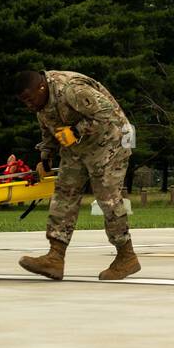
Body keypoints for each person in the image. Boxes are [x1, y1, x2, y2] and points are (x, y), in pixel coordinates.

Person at [14, 69, 138, 281]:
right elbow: (49, 129)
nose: (28, 104)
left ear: (41, 88)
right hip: (77, 147)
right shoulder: (40, 102)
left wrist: (77, 131)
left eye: (29, 99)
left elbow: (106, 113)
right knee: (64, 193)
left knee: (107, 198)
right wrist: (46, 156)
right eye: (23, 101)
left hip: (112, 139)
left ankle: (126, 256)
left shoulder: (72, 89)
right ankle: (55, 257)